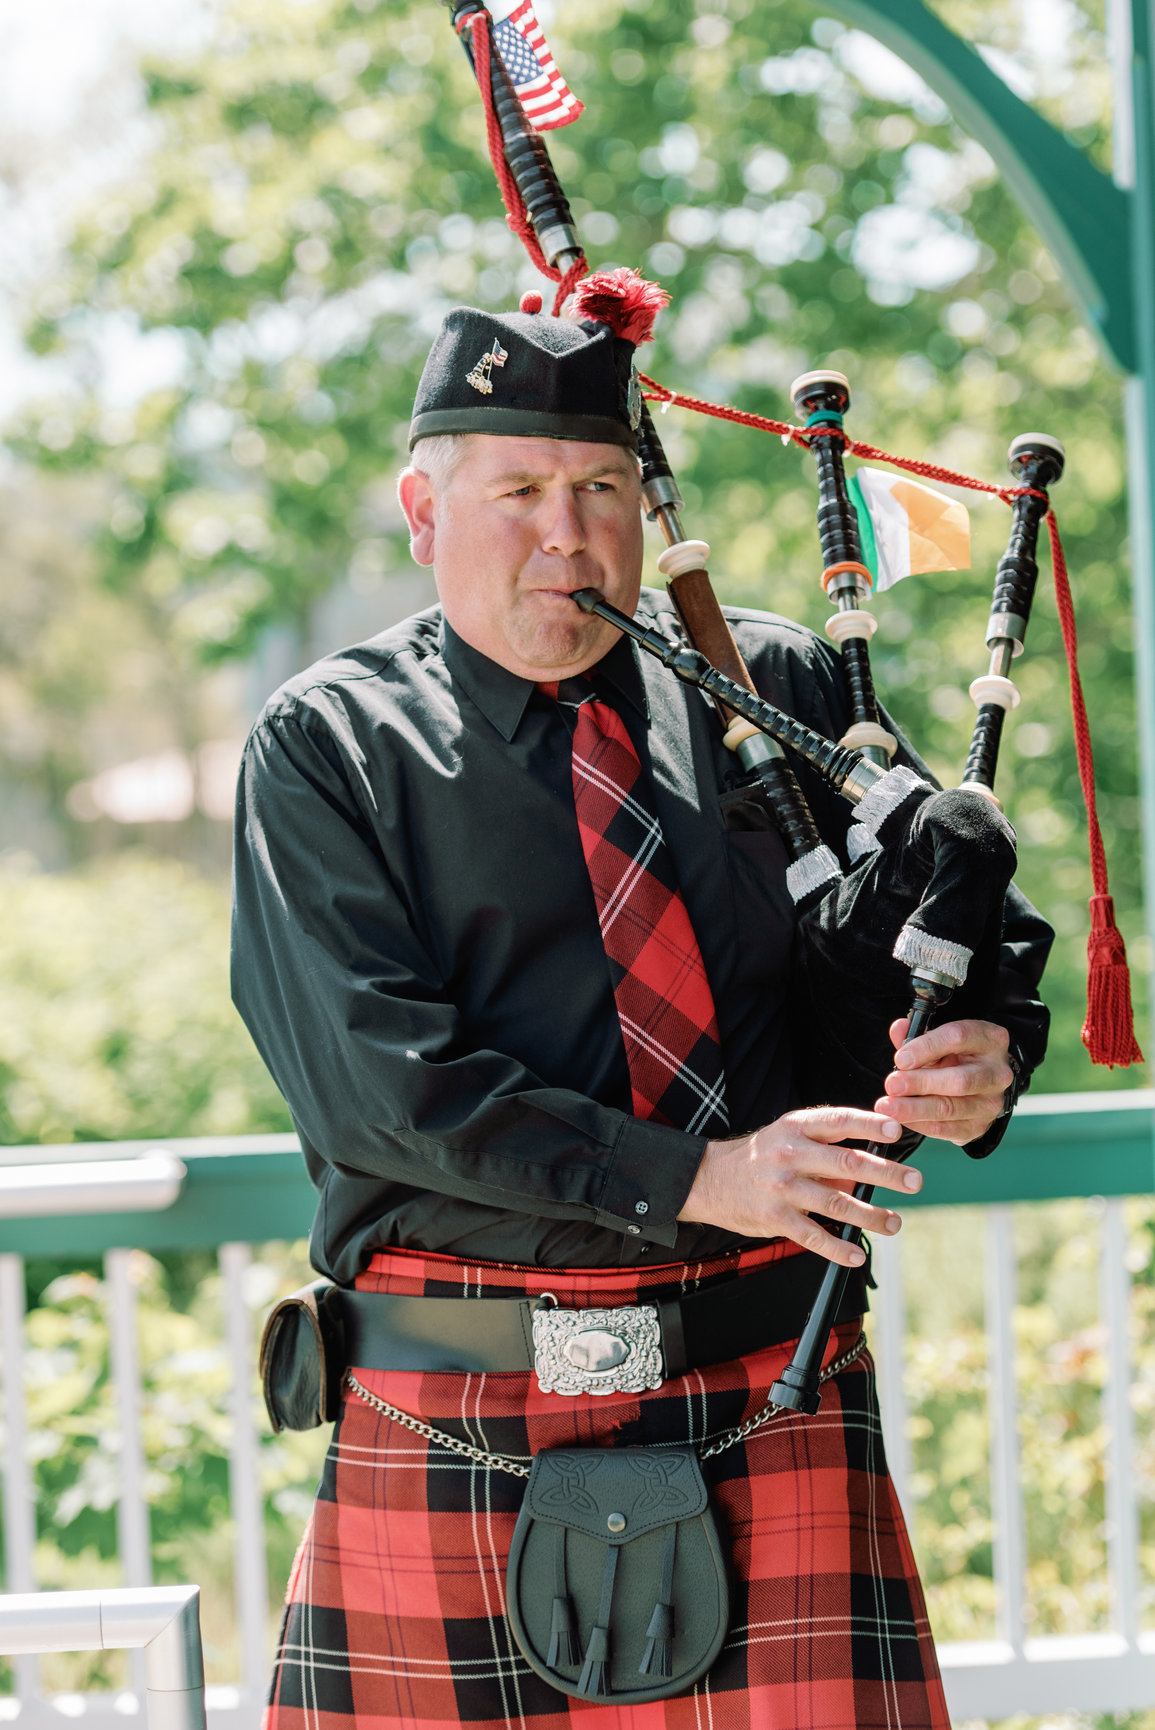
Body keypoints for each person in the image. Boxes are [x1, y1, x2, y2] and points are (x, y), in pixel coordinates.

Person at [232, 289, 1051, 1730]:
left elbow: (959, 932)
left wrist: (983, 1057)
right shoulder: (330, 746)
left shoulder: (762, 684)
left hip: (768, 1389)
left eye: (603, 484)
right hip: (458, 1416)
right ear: (422, 509)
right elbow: (384, 1087)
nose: (570, 530)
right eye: (521, 491)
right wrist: (705, 1178)